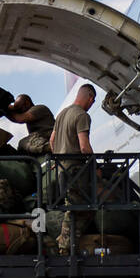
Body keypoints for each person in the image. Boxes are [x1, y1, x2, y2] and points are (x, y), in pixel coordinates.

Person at [51, 84, 97, 253]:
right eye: (93, 101)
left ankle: (67, 244)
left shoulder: (62, 114)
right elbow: (84, 147)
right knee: (78, 211)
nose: (92, 105)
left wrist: (58, 157)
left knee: (72, 208)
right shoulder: (82, 116)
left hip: (62, 170)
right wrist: (95, 165)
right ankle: (64, 247)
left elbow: (51, 140)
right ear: (90, 98)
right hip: (76, 171)